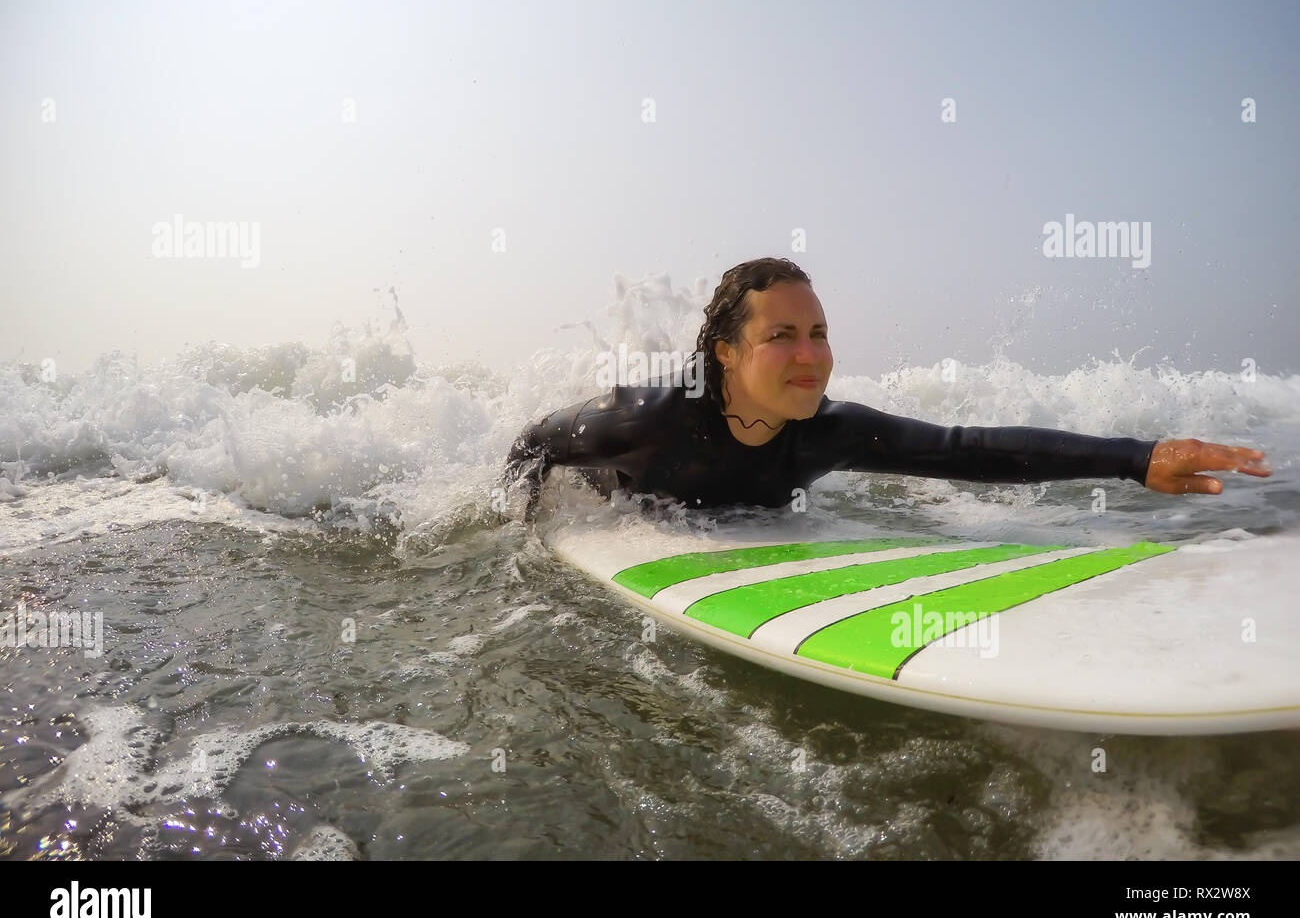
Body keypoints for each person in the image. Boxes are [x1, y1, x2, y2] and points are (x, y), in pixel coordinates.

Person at [503, 257, 1271, 521]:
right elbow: (534, 442)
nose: (813, 357)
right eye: (782, 336)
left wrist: (1138, 458)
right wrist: (525, 527)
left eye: (820, 333)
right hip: (629, 497)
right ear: (726, 352)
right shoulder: (641, 419)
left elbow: (968, 450)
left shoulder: (829, 431)